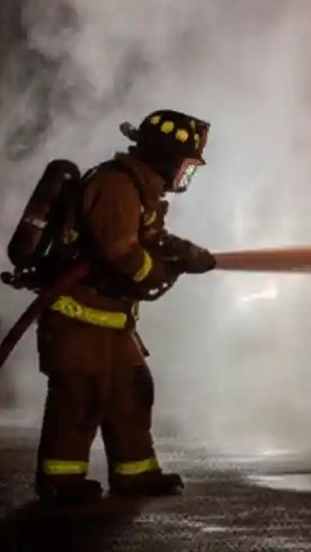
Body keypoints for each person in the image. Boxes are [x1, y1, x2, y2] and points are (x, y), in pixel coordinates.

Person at [34, 110, 217, 503]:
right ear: (165, 157)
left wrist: (187, 254)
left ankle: (135, 472)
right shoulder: (116, 186)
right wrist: (161, 274)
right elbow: (122, 252)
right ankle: (59, 479)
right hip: (76, 319)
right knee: (79, 398)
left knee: (131, 392)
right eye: (185, 165)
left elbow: (153, 237)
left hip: (112, 322)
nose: (186, 174)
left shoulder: (142, 189)